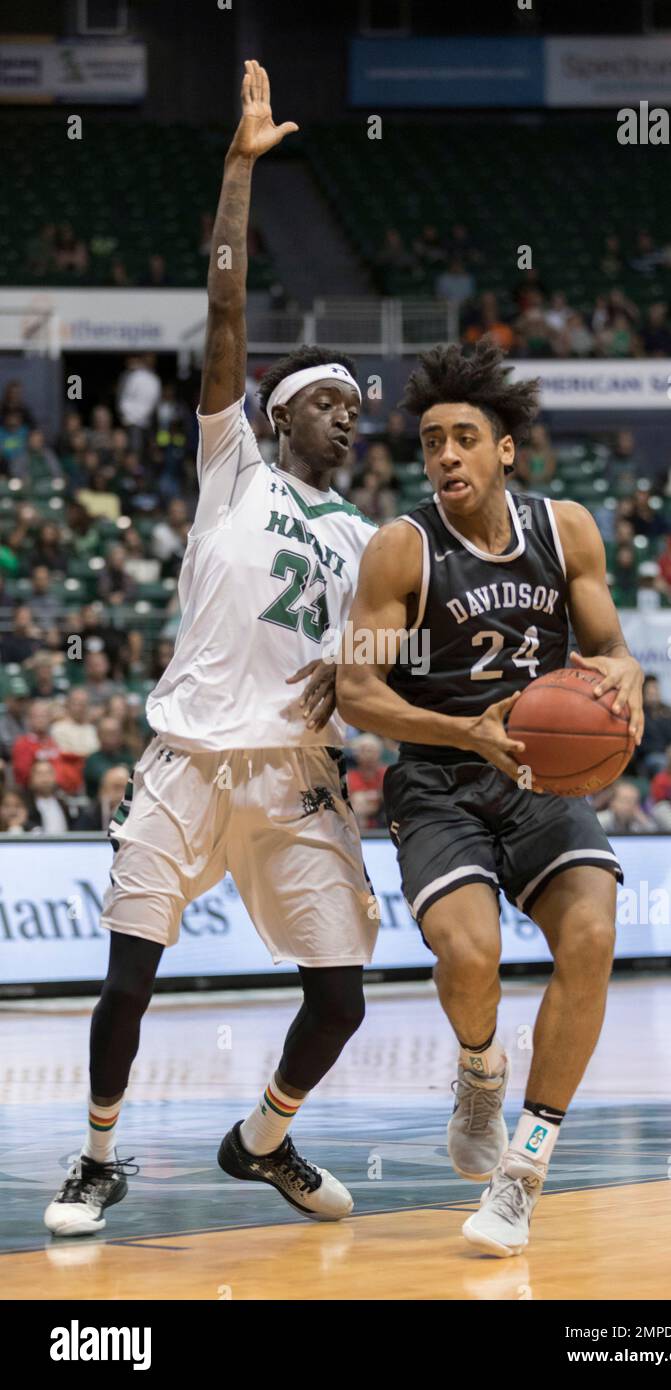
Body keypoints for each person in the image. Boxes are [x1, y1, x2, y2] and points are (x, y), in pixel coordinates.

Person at [44, 62, 380, 1240]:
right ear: (277, 412)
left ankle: (262, 1140)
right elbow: (225, 309)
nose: (347, 414)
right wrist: (239, 169)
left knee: (339, 996)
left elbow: (378, 670)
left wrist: (364, 681)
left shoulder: (369, 535)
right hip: (187, 760)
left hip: (295, 777)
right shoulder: (230, 464)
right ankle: (94, 1157)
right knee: (126, 978)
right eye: (328, 399)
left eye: (355, 407)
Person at [336, 339, 644, 1258]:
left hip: (541, 778)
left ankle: (525, 1170)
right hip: (439, 779)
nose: (446, 457)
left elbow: (609, 648)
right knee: (471, 958)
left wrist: (625, 671)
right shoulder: (402, 548)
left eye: (465, 438)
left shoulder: (567, 530)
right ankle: (479, 1068)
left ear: (505, 448)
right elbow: (357, 693)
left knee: (591, 934)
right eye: (432, 442)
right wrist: (465, 730)